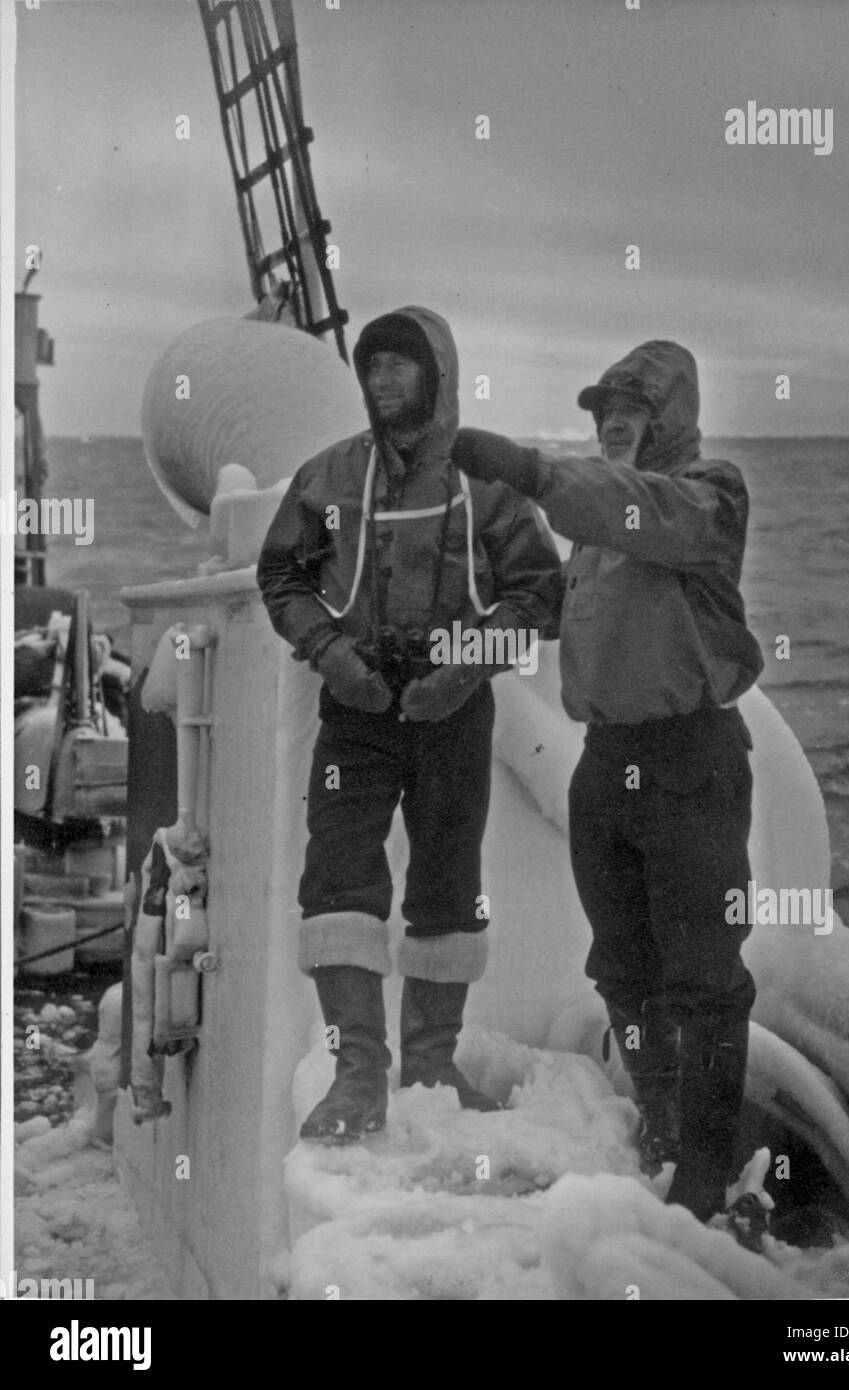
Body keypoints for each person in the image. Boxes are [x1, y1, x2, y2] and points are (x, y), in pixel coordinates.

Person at [453, 340, 765, 1235]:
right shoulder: (596, 530)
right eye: (601, 410)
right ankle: (663, 1139)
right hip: (606, 764)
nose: (611, 422)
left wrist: (530, 468)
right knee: (623, 970)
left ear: (671, 416)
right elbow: (546, 601)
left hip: (690, 759)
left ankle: (706, 1178)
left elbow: (632, 509)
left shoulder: (708, 496)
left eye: (630, 409)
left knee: (704, 978)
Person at [257, 306, 561, 1145]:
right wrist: (329, 652)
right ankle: (358, 1072)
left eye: (400, 365)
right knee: (338, 879)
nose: (383, 380)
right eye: (372, 366)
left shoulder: (484, 482)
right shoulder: (329, 478)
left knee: (449, 881)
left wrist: (464, 669)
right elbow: (281, 572)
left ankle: (432, 1061)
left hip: (454, 711)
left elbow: (540, 591)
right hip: (354, 710)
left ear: (437, 374)